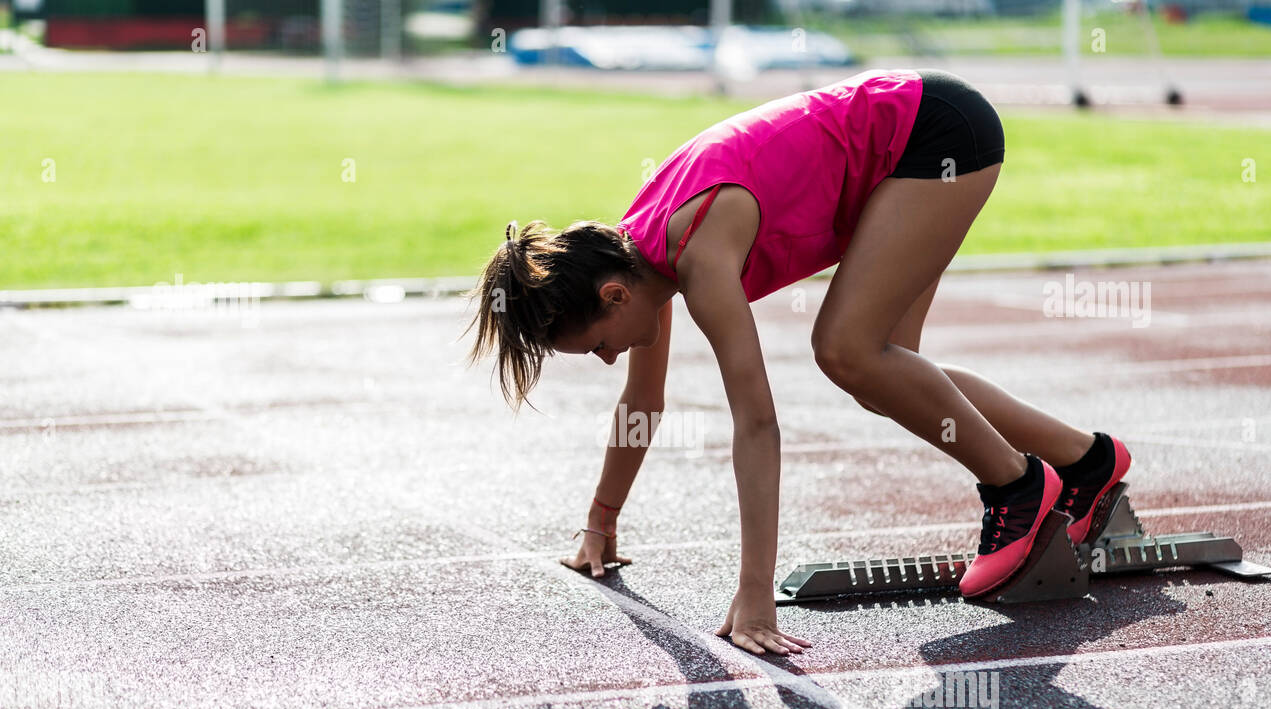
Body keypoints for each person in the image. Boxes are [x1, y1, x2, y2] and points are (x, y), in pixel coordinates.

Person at [464, 68, 1131, 657]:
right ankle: (1085, 460)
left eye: (599, 346)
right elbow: (642, 406)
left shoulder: (694, 252)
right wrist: (601, 522)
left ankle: (1017, 488)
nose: (611, 359)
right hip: (911, 141)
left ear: (613, 295)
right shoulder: (639, 255)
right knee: (887, 373)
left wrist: (756, 596)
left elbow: (757, 423)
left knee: (847, 351)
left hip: (935, 135)